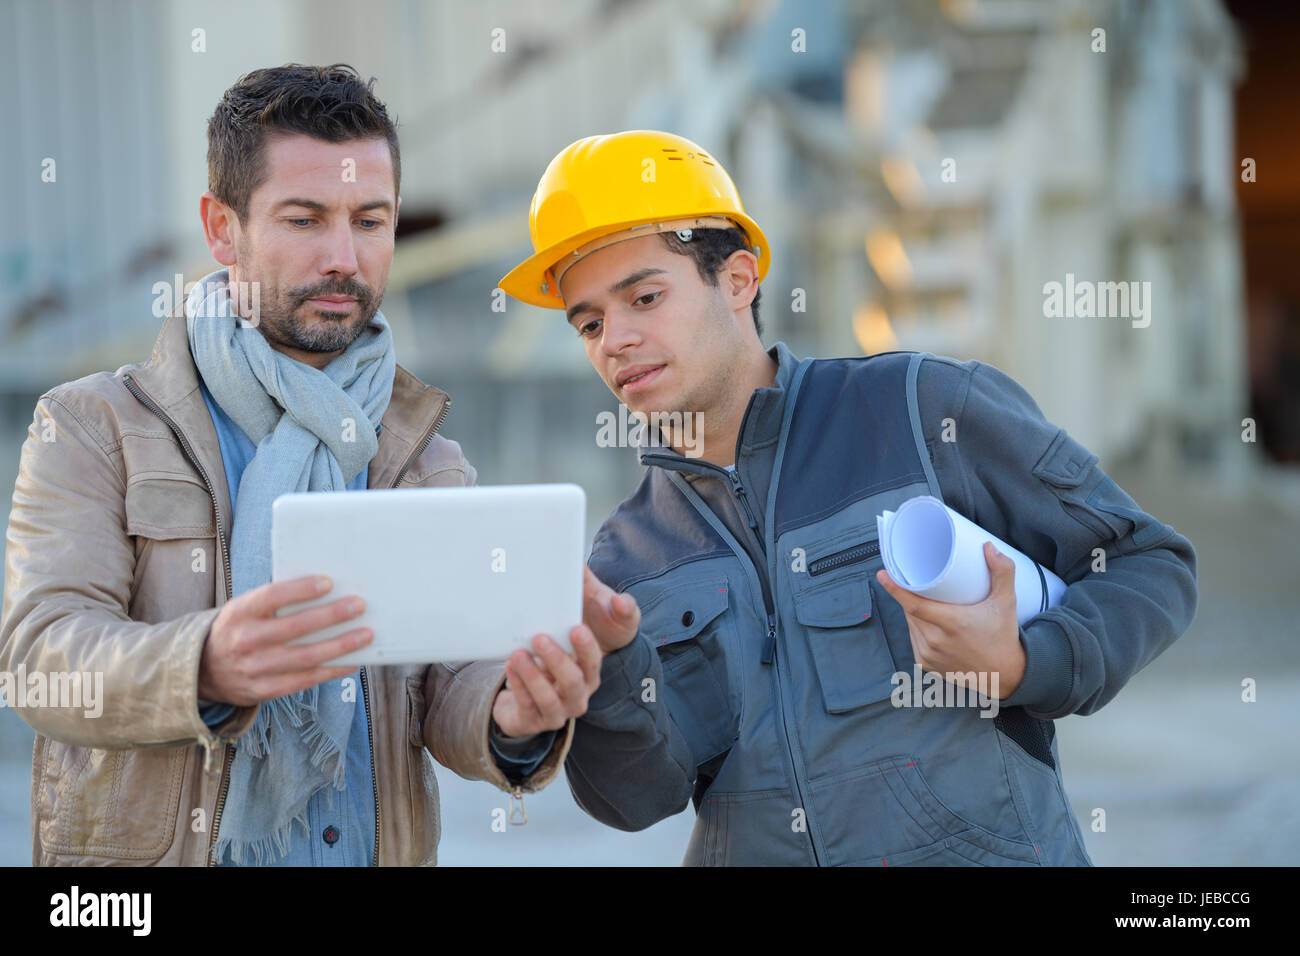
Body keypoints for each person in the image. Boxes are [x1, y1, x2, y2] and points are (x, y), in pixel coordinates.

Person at [498, 129, 1199, 866]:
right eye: (590, 323)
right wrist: (604, 673)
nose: (616, 339)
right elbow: (640, 800)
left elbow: (1149, 562)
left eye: (644, 296)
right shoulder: (622, 558)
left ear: (738, 281)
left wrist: (1029, 660)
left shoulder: (921, 410)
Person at [0, 64, 603, 867]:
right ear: (223, 229)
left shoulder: (423, 454)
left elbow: (445, 684)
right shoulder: (92, 426)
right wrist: (204, 664)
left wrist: (515, 715)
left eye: (371, 220)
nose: (344, 258)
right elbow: (40, 659)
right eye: (305, 219)